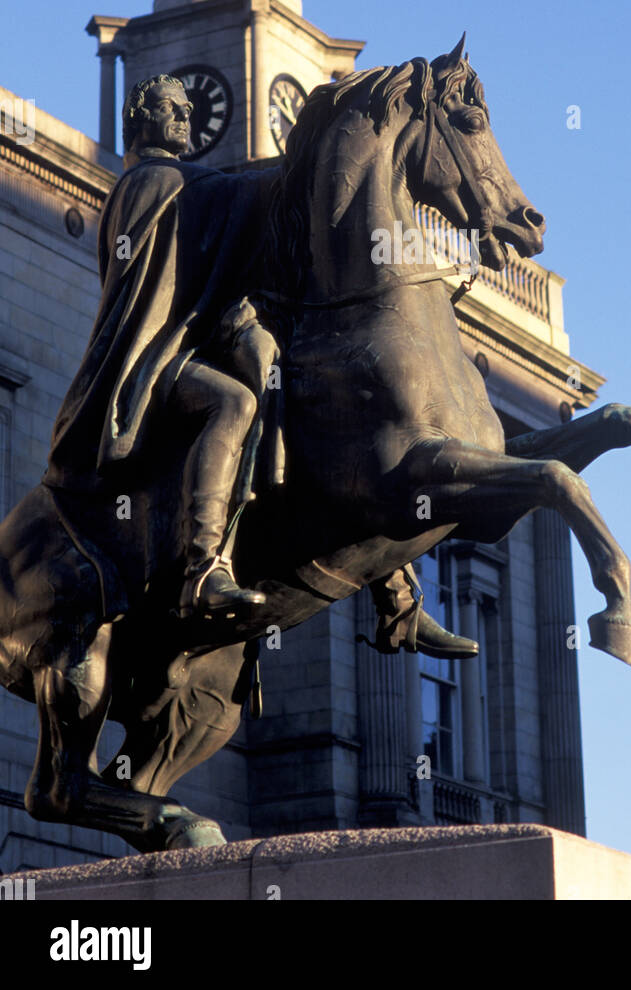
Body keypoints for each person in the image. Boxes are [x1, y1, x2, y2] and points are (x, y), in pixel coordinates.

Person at [44, 74, 475, 656]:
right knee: (235, 401)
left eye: (187, 110)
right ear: (139, 119)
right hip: (156, 364)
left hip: (200, 342)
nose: (183, 119)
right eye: (171, 109)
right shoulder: (150, 182)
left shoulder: (196, 183)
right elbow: (227, 200)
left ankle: (396, 593)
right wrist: (318, 158)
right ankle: (204, 569)